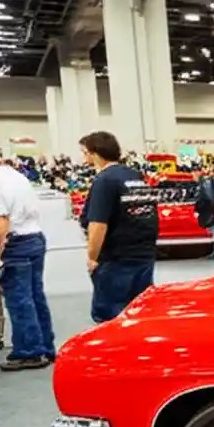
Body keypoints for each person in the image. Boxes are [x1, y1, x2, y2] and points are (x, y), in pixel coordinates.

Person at [78, 132, 159, 323]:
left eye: (85, 153)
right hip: (144, 255)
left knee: (111, 317)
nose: (84, 159)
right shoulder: (135, 177)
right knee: (141, 313)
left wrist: (92, 257)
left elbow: (98, 224)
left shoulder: (104, 181)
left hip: (117, 259)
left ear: (95, 154)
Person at [0, 147, 55, 370]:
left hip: (14, 242)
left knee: (19, 300)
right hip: (35, 237)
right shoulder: (16, 175)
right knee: (36, 296)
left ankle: (29, 352)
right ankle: (46, 346)